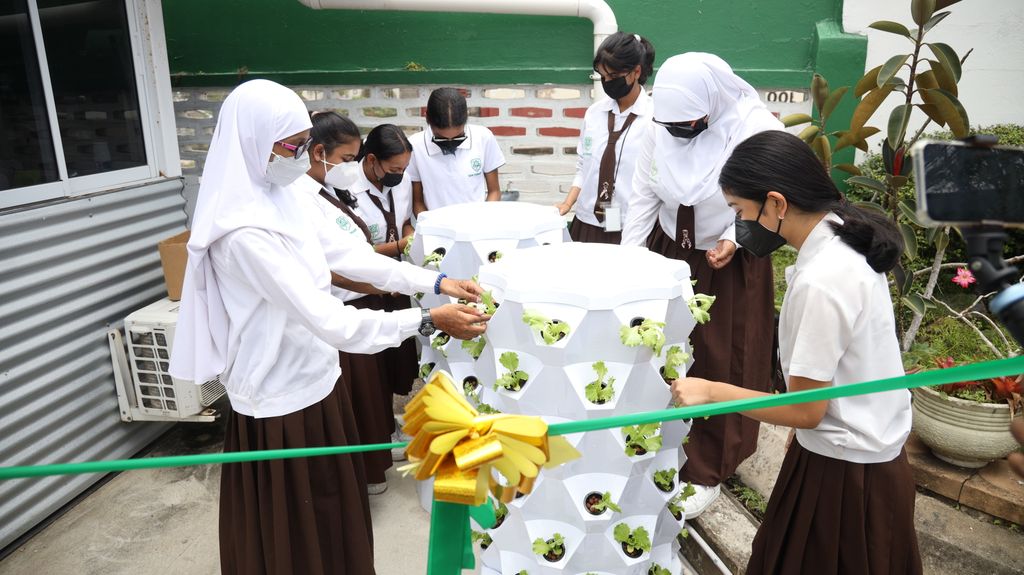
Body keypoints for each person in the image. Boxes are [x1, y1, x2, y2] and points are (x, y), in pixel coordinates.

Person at [169, 80, 488, 575]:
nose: (303, 155)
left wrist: (438, 281)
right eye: (294, 145)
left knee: (333, 510)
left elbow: (351, 257)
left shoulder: (286, 191)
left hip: (319, 376)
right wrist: (426, 319)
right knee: (295, 524)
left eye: (304, 143)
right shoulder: (243, 233)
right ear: (253, 141)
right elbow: (329, 318)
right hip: (279, 397)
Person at [673, 130, 921, 574]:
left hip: (844, 474)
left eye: (740, 211)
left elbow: (806, 410)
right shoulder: (846, 237)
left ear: (776, 203)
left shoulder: (822, 279)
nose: (740, 224)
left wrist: (711, 390)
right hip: (858, 454)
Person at [621, 52, 782, 516]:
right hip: (669, 250)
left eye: (689, 125)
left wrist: (735, 238)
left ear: (712, 105)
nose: (679, 133)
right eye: (672, 126)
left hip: (728, 259)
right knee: (665, 349)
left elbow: (769, 200)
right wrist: (631, 261)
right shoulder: (657, 124)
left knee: (721, 357)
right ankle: (662, 445)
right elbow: (644, 193)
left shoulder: (751, 128)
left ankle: (709, 467)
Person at [307, 118, 420, 494]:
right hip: (354, 299)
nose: (398, 177)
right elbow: (344, 261)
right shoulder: (321, 195)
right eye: (349, 157)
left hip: (378, 287)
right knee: (360, 393)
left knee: (382, 380)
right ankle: (368, 468)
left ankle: (383, 441)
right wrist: (398, 261)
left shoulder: (326, 189)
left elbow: (396, 225)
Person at [556, 32, 655, 244]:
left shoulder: (654, 119)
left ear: (636, 71)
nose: (607, 82)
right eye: (603, 77)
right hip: (587, 221)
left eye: (613, 77)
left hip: (631, 227)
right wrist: (568, 203)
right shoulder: (594, 113)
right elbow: (584, 166)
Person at [408, 87, 505, 215]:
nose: (450, 143)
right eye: (441, 138)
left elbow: (494, 192)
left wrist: (482, 219)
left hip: (477, 224)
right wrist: (433, 227)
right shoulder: (415, 146)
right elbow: (418, 203)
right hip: (436, 228)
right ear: (427, 119)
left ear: (466, 118)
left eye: (458, 137)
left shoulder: (483, 137)